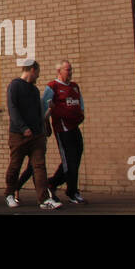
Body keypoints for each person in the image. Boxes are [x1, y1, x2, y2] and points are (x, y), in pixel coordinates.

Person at [5, 60, 60, 210]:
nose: (38, 76)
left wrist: (43, 129)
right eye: (38, 72)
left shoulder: (35, 91)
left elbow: (38, 114)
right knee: (15, 165)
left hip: (36, 136)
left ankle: (44, 199)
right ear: (32, 70)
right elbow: (13, 109)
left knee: (39, 166)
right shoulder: (15, 85)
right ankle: (9, 193)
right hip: (19, 135)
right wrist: (23, 128)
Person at [43, 60, 86, 204]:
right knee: (69, 160)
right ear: (59, 71)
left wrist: (81, 114)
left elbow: (80, 103)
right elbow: (45, 108)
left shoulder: (74, 87)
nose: (70, 72)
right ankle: (72, 191)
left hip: (75, 127)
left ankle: (52, 183)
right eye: (68, 70)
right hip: (63, 129)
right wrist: (46, 125)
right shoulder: (52, 87)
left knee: (76, 156)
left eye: (71, 70)